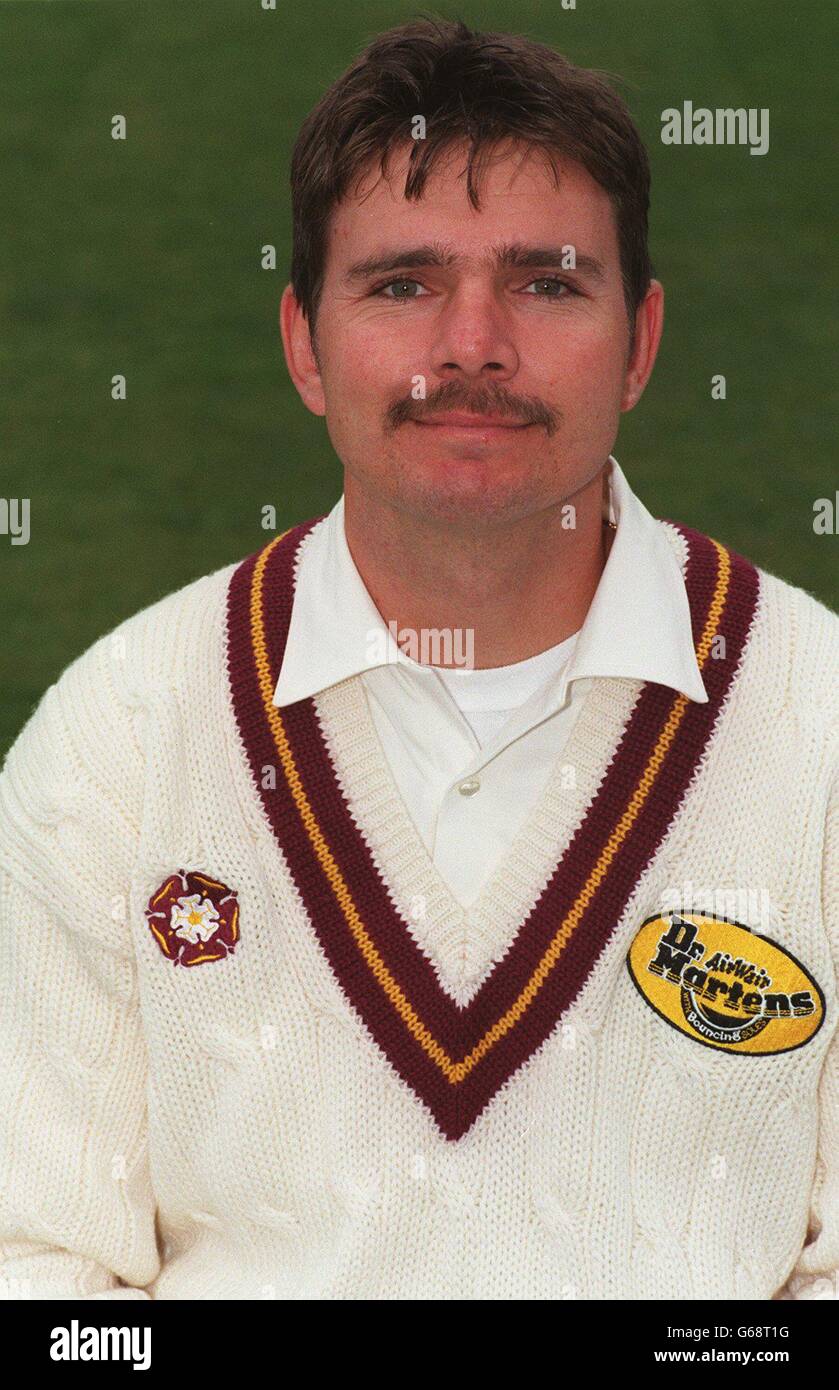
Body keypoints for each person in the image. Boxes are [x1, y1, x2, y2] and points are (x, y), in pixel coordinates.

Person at [0, 17, 836, 1301]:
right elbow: (38, 1271)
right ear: (302, 344)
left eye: (546, 282)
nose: (471, 346)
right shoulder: (117, 737)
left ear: (643, 343)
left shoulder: (816, 718)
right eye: (400, 284)